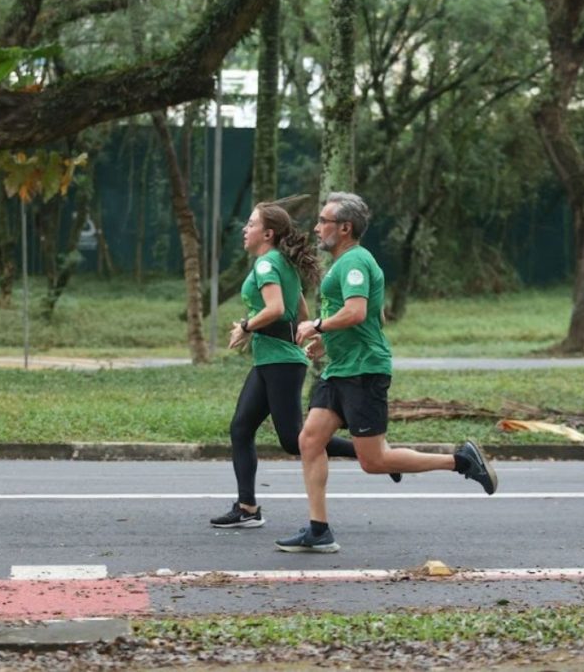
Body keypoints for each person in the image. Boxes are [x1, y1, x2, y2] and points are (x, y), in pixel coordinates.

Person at [275, 192, 498, 554]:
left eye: (323, 222)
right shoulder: (345, 263)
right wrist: (327, 341)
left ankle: (461, 461)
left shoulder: (355, 263)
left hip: (364, 372)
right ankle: (319, 529)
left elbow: (359, 312)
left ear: (344, 228)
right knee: (309, 440)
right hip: (341, 369)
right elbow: (374, 317)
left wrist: (317, 325)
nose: (316, 228)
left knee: (374, 461)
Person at [210, 202, 400, 530]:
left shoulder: (267, 264)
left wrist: (245, 326)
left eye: (251, 224)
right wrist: (306, 334)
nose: (245, 229)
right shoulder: (280, 261)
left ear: (267, 233)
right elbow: (297, 305)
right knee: (241, 428)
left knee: (292, 440)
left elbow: (275, 308)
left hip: (280, 362)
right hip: (275, 359)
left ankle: (370, 454)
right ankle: (247, 507)